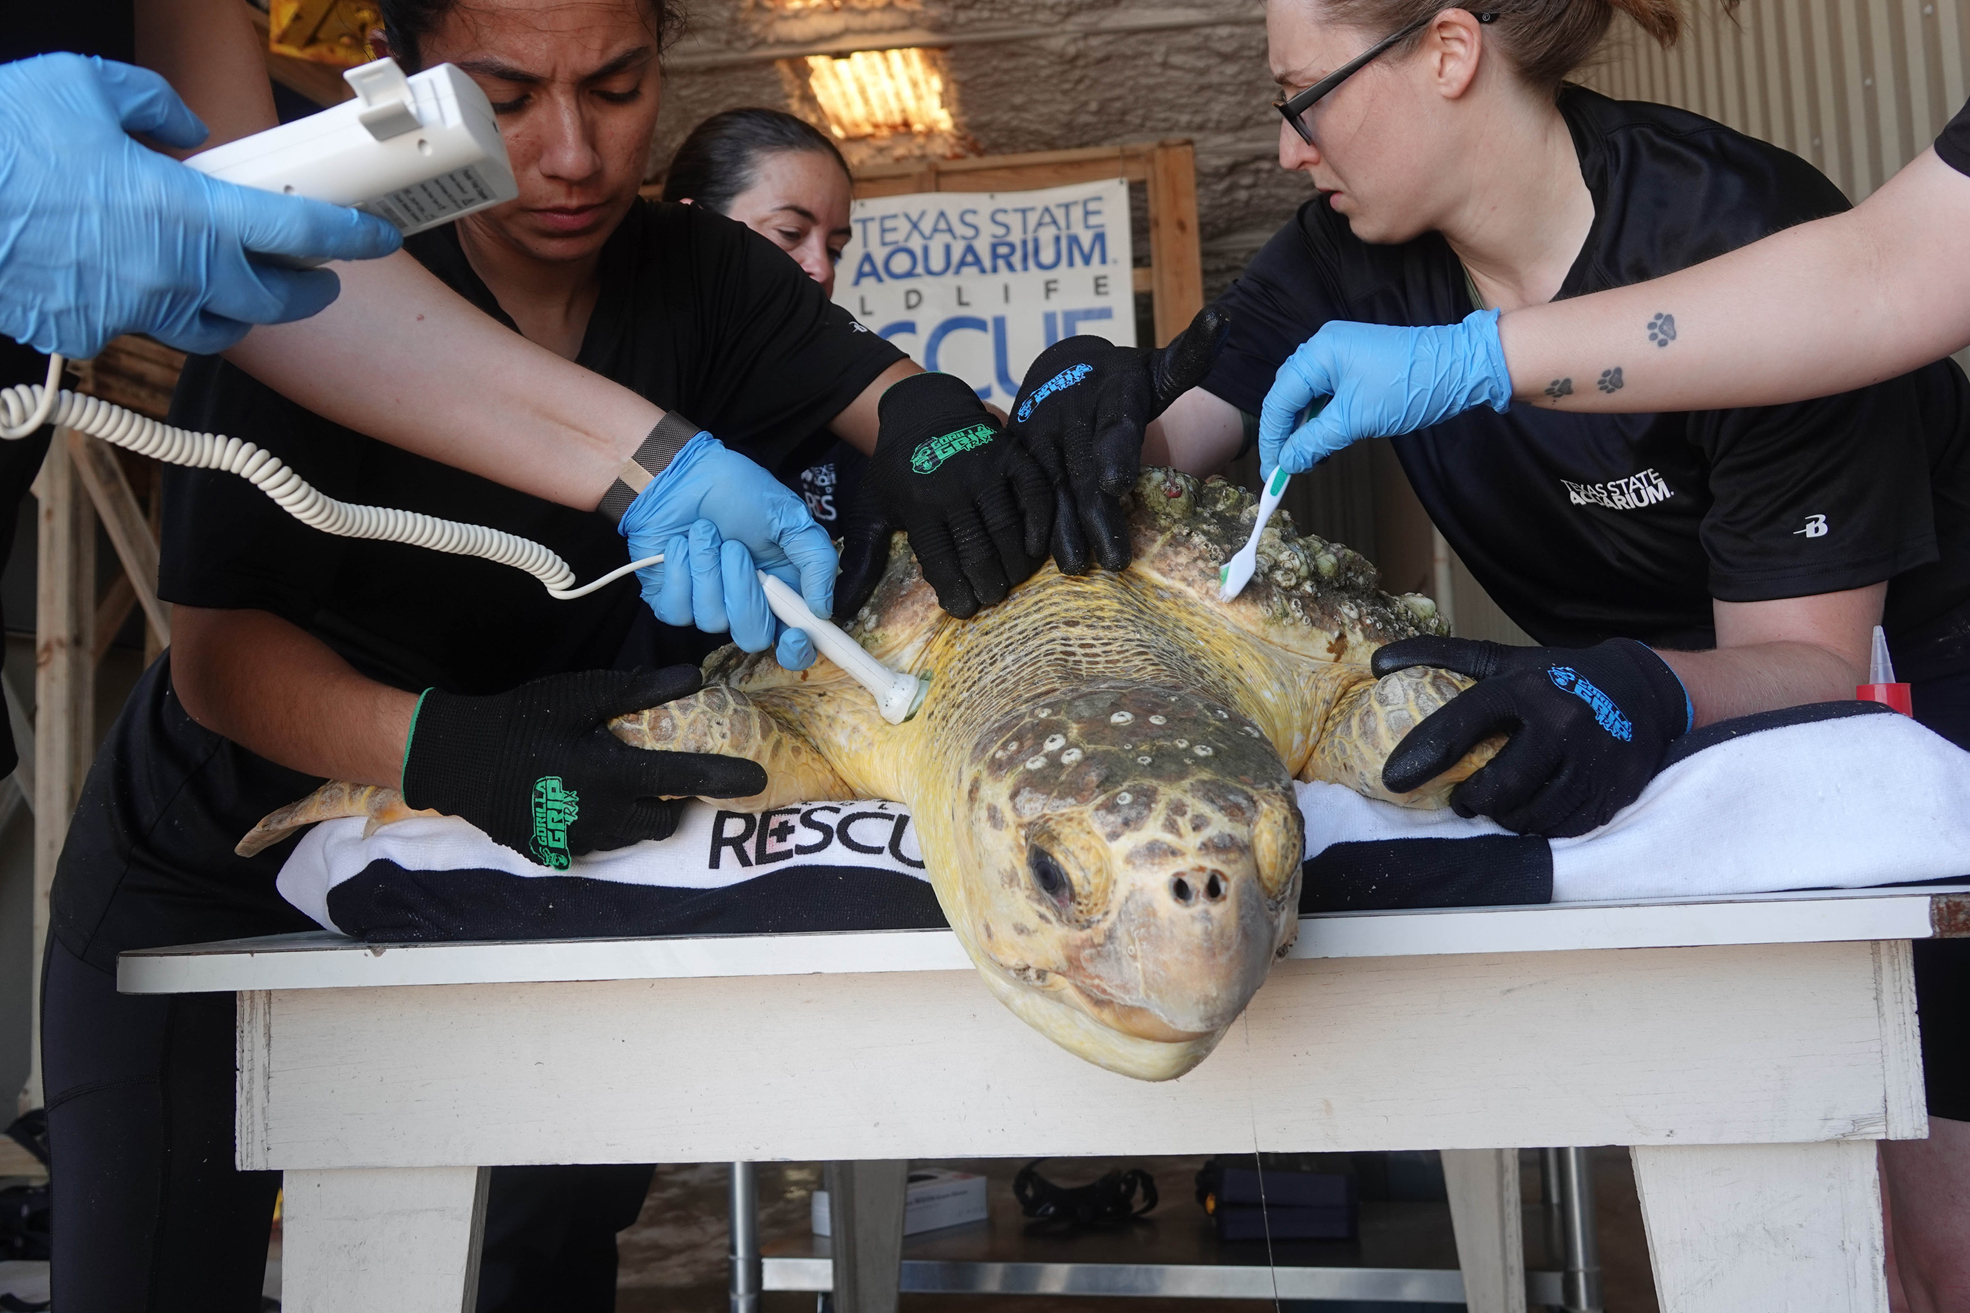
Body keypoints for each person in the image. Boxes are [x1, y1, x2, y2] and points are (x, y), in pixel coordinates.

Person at [32, 0, 1050, 1304]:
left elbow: (883, 388)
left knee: (538, 1262)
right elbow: (218, 667)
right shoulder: (308, 273)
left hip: (538, 836)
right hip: (224, 864)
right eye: (506, 97)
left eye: (618, 86)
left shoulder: (705, 276)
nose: (572, 154)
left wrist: (939, 430)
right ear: (404, 81)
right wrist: (440, 745)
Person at [1023, 1, 1969, 1305]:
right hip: (1642, 715)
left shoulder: (1734, 231)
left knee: (1927, 1213)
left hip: (1895, 702)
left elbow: (1808, 665)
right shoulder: (1345, 257)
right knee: (1757, 1188)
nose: (1288, 147)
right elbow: (1168, 446)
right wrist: (1084, 418)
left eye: (1303, 95)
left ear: (1448, 51)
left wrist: (1622, 680)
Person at [662, 107, 864, 533]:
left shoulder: (838, 399)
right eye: (790, 232)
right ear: (692, 226)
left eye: (836, 249)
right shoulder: (615, 383)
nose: (822, 268)